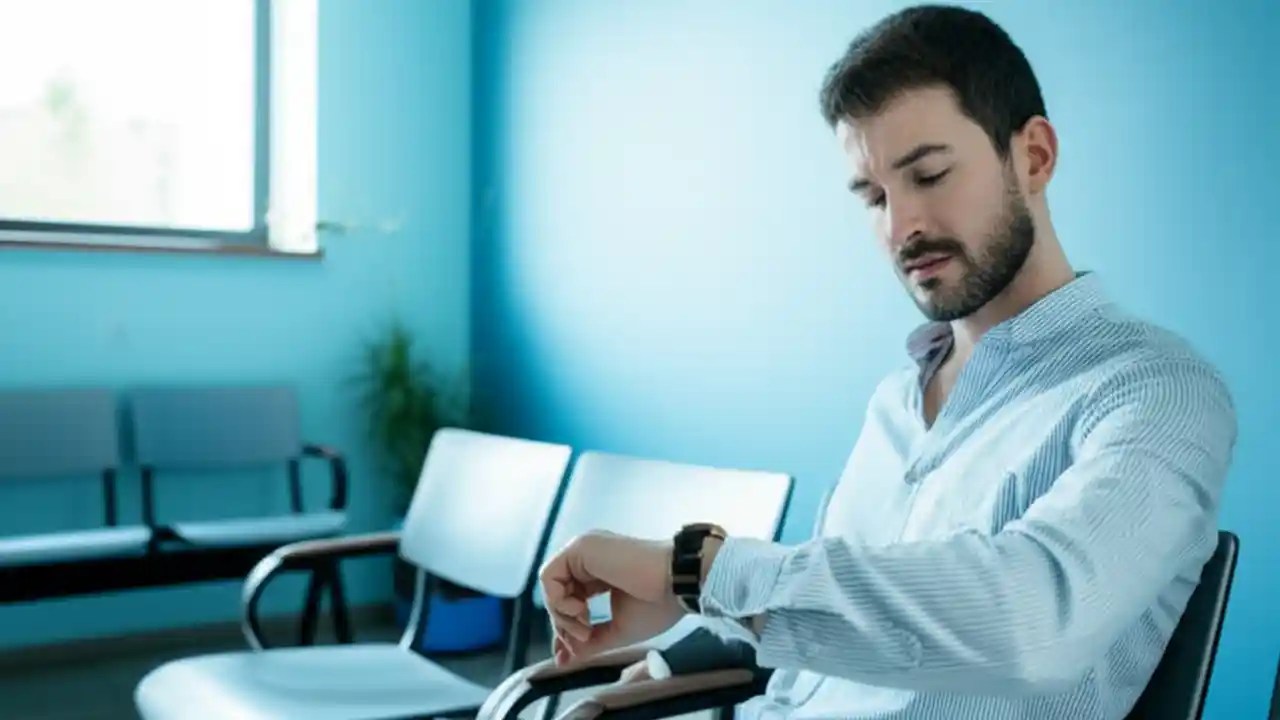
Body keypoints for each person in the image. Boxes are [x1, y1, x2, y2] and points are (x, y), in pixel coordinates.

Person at [538, 4, 1238, 719]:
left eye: (929, 175)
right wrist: (675, 645)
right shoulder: (897, 400)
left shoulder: (1155, 392)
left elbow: (1034, 621)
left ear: (1033, 157)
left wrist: (694, 570)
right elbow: (854, 611)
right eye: (874, 197)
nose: (900, 228)